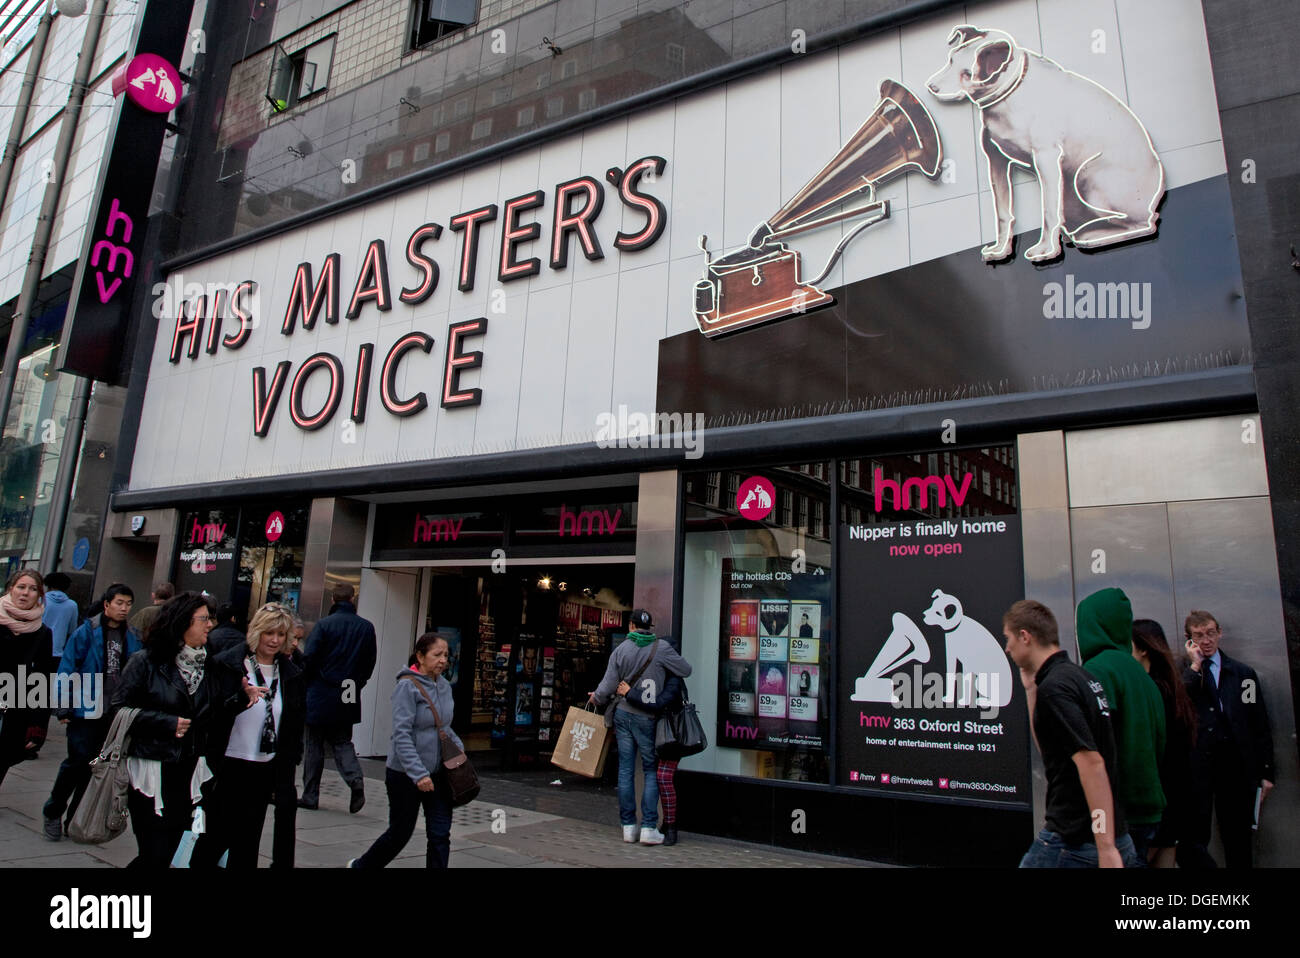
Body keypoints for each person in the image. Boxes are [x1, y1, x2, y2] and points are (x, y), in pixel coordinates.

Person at [1002, 599, 1136, 867]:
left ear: (1025, 637)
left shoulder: (1056, 687)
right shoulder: (1081, 677)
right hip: (1107, 837)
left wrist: (1105, 847)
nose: (1007, 648)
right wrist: (1030, 690)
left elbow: (1092, 762)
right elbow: (1053, 751)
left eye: (1008, 638)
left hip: (1074, 842)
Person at [110, 592, 226, 869]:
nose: (210, 625)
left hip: (189, 772)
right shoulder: (146, 661)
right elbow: (117, 709)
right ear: (182, 622)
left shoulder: (210, 666)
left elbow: (216, 713)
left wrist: (241, 695)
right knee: (155, 853)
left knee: (170, 851)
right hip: (152, 769)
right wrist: (165, 722)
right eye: (204, 619)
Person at [195, 603, 305, 869]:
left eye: (281, 634)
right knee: (215, 839)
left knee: (247, 843)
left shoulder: (290, 673)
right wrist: (239, 699)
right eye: (269, 633)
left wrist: (288, 770)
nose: (275, 640)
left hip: (265, 768)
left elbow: (292, 724)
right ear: (257, 631)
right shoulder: (228, 664)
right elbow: (209, 714)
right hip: (228, 765)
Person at [349, 632, 460, 869]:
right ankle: (362, 866)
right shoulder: (407, 687)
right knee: (400, 833)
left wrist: (459, 755)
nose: (443, 660)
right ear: (420, 656)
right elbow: (402, 735)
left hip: (440, 773)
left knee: (440, 834)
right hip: (405, 775)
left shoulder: (444, 687)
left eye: (446, 655)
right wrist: (418, 773)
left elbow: (445, 729)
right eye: (437, 655)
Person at [43, 583, 141, 841]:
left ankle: (76, 819)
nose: (124, 608)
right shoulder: (86, 632)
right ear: (107, 604)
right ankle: (53, 811)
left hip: (114, 713)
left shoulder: (132, 636)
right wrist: (63, 705)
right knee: (76, 763)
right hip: (85, 708)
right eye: (119, 603)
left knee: (95, 767)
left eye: (128, 604)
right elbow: (66, 668)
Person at [1075, 588, 1166, 863]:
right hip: (1148, 809)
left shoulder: (1098, 670)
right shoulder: (1141, 674)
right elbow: (1159, 741)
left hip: (1116, 813)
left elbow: (1094, 745)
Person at [1180, 610, 1274, 869]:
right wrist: (1194, 667)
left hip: (1235, 763)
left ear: (1219, 632)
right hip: (1198, 765)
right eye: (1199, 636)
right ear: (1189, 640)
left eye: (1210, 633)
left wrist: (1266, 771)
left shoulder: (1242, 674)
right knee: (1194, 836)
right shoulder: (1184, 673)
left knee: (1238, 836)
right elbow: (1177, 705)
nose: (1206, 641)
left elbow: (1257, 721)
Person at [590, 609, 691, 845]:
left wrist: (596, 697)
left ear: (631, 626)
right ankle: (648, 827)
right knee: (650, 771)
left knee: (625, 770)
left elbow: (607, 685)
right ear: (649, 627)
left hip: (623, 714)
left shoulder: (621, 649)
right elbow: (686, 670)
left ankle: (628, 827)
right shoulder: (662, 648)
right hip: (647, 718)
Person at [299, 582, 376, 813]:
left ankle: (310, 795)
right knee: (343, 741)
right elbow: (368, 663)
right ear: (352, 599)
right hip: (349, 690)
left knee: (313, 745)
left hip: (321, 691)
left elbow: (309, 659)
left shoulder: (324, 625)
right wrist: (356, 684)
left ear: (333, 599)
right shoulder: (366, 627)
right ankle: (355, 780)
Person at [1131, 619, 1197, 868]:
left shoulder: (1151, 691)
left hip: (1157, 802)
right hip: (1175, 801)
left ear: (1143, 649)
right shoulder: (1173, 687)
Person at [0, 570, 52, 789]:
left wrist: (38, 724)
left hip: (16, 707)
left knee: (5, 755)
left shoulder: (42, 633)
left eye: (33, 589)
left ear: (39, 596)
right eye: (21, 587)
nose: (25, 593)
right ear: (11, 589)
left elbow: (43, 678)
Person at [655, 650, 688, 847]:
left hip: (671, 736)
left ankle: (671, 826)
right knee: (662, 778)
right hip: (667, 734)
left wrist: (632, 694)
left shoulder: (673, 678)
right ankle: (667, 825)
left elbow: (662, 701)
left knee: (663, 777)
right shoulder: (670, 674)